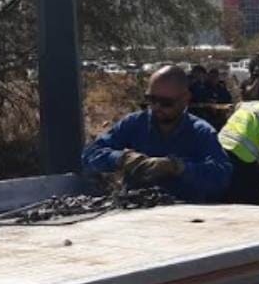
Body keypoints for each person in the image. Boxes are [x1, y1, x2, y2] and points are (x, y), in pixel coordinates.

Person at [81, 66, 231, 202]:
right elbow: (89, 155)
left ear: (185, 99)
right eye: (151, 100)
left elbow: (222, 175)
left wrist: (178, 167)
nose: (156, 107)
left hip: (184, 216)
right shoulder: (134, 123)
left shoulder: (201, 132)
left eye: (166, 102)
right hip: (135, 211)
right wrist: (121, 159)